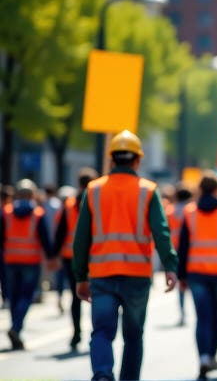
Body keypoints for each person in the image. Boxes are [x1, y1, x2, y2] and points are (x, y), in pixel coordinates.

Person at [72, 130, 179, 381]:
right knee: (133, 337)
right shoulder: (148, 190)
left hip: (102, 276)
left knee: (101, 332)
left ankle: (102, 374)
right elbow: (161, 232)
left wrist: (80, 277)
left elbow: (81, 239)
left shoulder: (94, 189)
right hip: (136, 277)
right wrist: (170, 266)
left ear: (111, 159)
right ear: (137, 160)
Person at [178, 171, 217, 379]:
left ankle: (204, 357)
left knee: (202, 317)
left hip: (196, 273)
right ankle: (212, 355)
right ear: (215, 189)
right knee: (216, 316)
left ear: (200, 189)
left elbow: (183, 246)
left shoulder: (190, 212)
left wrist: (181, 276)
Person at [1, 179, 57, 350]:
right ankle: (16, 327)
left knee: (14, 297)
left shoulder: (7, 212)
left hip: (10, 260)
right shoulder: (37, 213)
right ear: (33, 194)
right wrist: (51, 257)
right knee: (26, 297)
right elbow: (45, 239)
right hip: (30, 261)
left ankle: (15, 327)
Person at [53, 167, 98, 351]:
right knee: (97, 297)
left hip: (70, 256)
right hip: (95, 257)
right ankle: (97, 333)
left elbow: (60, 232)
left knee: (76, 296)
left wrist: (53, 254)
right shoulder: (97, 202)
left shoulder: (69, 204)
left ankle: (76, 333)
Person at [165, 184, 192, 326]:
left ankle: (182, 313)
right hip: (190, 252)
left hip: (174, 251)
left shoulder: (170, 211)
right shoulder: (191, 211)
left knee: (181, 284)